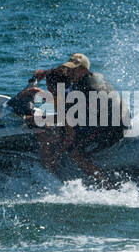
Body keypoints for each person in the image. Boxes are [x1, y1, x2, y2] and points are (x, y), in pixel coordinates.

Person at [39, 53, 130, 186]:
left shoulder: (88, 89)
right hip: (119, 115)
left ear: (83, 70)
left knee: (74, 152)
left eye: (72, 69)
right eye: (68, 69)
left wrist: (57, 155)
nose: (68, 72)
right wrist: (45, 72)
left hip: (113, 126)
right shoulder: (90, 77)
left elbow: (70, 130)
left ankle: (106, 184)